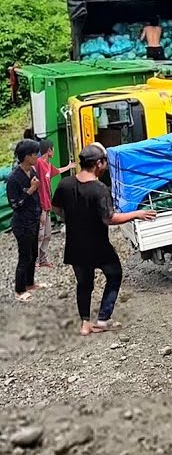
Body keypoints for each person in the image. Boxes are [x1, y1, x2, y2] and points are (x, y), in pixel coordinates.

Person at [53, 143, 156, 334]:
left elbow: (56, 208)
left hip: (75, 245)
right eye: (104, 163)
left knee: (84, 283)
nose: (105, 166)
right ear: (98, 163)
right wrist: (137, 214)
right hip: (98, 246)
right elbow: (109, 218)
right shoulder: (99, 189)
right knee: (114, 274)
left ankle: (85, 323)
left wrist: (70, 218)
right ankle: (102, 319)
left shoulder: (64, 184)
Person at [8, 140, 43, 301]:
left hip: (34, 218)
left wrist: (41, 212)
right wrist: (30, 190)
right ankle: (19, 290)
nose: (38, 157)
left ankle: (30, 283)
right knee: (25, 256)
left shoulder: (33, 172)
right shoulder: (14, 179)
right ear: (27, 156)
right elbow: (15, 204)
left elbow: (36, 197)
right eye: (35, 154)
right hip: (22, 223)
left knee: (33, 253)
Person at [34, 139, 71, 268]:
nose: (54, 151)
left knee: (47, 234)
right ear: (49, 150)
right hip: (40, 205)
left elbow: (56, 171)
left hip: (47, 204)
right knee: (40, 233)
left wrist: (69, 166)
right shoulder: (38, 163)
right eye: (53, 149)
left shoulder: (48, 165)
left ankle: (43, 259)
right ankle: (34, 259)